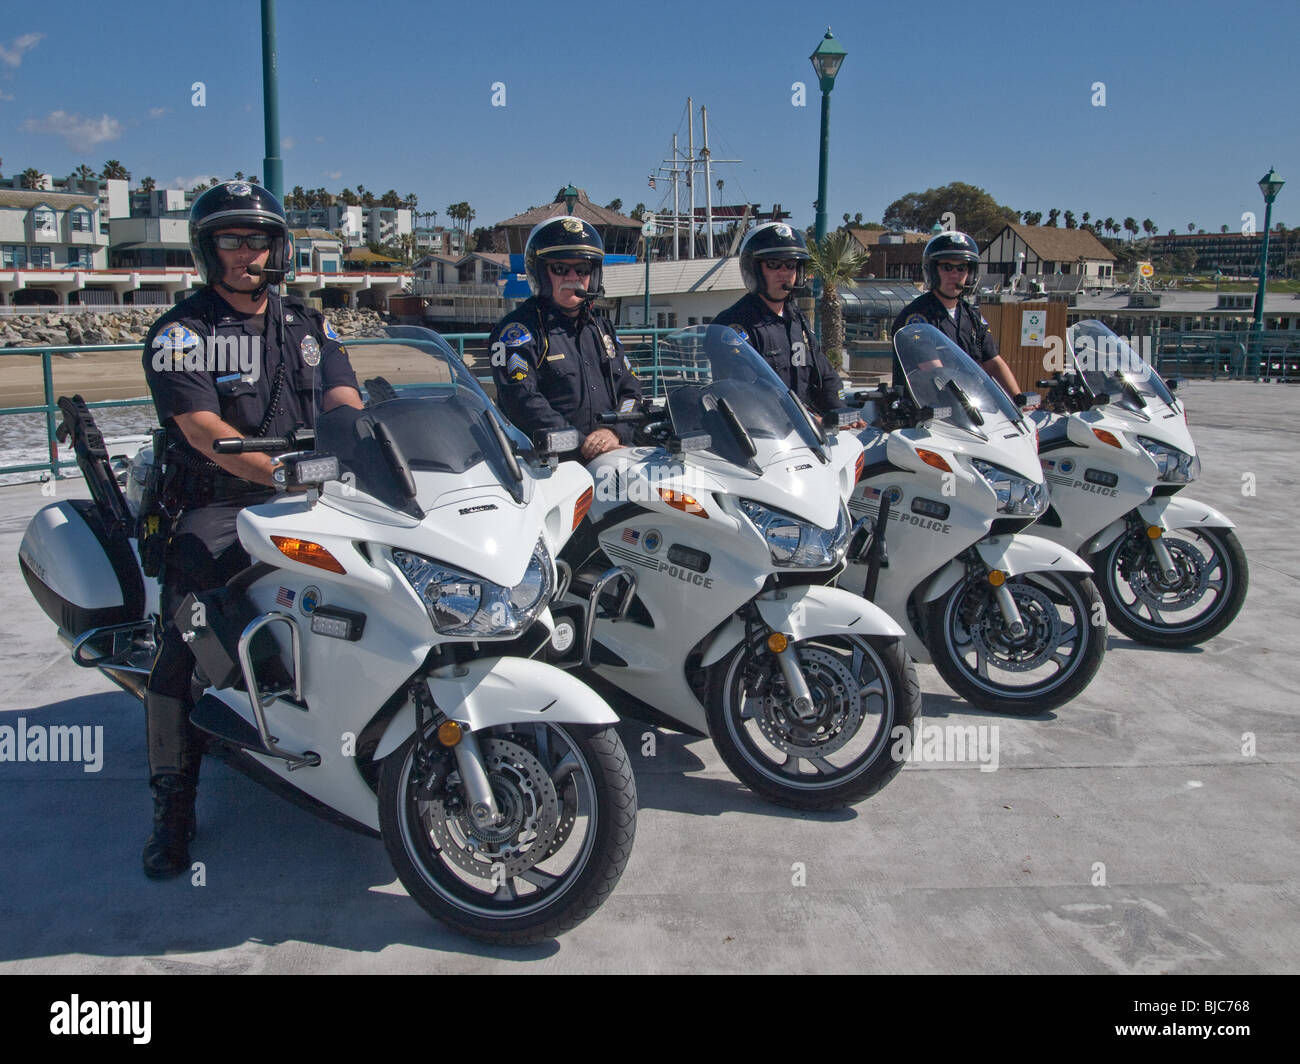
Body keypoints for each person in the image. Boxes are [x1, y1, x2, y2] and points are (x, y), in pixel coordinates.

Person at [139, 181, 362, 878]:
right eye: (230, 241)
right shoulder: (183, 334)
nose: (245, 254)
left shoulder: (307, 322)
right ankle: (173, 801)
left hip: (314, 488)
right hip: (219, 502)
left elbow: (342, 392)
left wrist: (351, 439)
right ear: (208, 252)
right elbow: (202, 429)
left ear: (278, 248)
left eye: (256, 240)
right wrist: (280, 474)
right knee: (190, 628)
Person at [489, 216, 640, 460]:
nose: (572, 277)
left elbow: (631, 391)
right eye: (560, 268)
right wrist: (580, 443)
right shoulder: (517, 332)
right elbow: (521, 400)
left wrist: (615, 432)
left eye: (582, 269)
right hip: (553, 467)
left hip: (615, 455)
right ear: (540, 272)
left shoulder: (603, 329)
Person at [713, 222, 850, 421]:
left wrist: (839, 413)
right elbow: (743, 392)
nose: (784, 272)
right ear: (754, 269)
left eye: (791, 265)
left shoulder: (798, 320)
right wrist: (805, 420)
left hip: (805, 434)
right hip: (760, 436)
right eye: (774, 264)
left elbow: (826, 376)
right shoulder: (733, 326)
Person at [892, 231, 1022, 398]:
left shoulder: (973, 317)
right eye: (947, 267)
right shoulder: (917, 318)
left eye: (961, 268)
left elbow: (993, 362)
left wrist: (1019, 399)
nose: (954, 274)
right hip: (927, 412)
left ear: (970, 273)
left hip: (970, 408)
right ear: (932, 270)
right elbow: (933, 370)